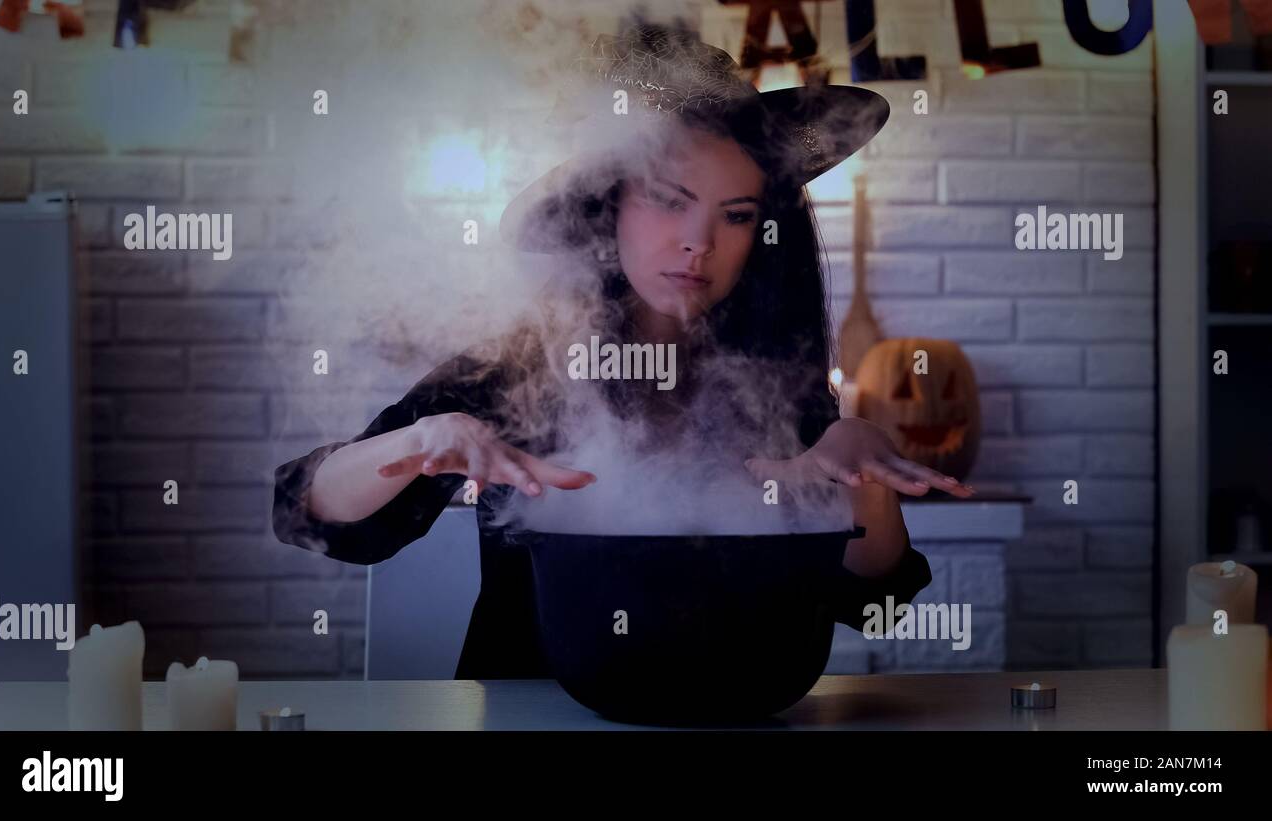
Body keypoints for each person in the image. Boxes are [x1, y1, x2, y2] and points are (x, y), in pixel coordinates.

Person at [272, 26, 976, 680]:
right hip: (535, 711)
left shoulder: (777, 384)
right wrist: (426, 438)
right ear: (611, 205)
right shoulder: (520, 368)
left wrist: (865, 483)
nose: (700, 241)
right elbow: (313, 514)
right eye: (671, 199)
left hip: (733, 710)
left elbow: (874, 600)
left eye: (737, 215)